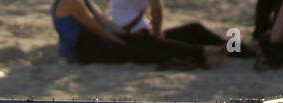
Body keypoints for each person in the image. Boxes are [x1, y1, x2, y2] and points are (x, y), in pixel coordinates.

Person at [52, 0, 226, 68]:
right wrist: (118, 41)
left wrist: (121, 35)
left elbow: (103, 20)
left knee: (145, 44)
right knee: (144, 48)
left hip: (100, 41)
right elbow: (94, 28)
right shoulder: (71, 2)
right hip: (87, 51)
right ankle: (202, 53)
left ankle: (202, 52)